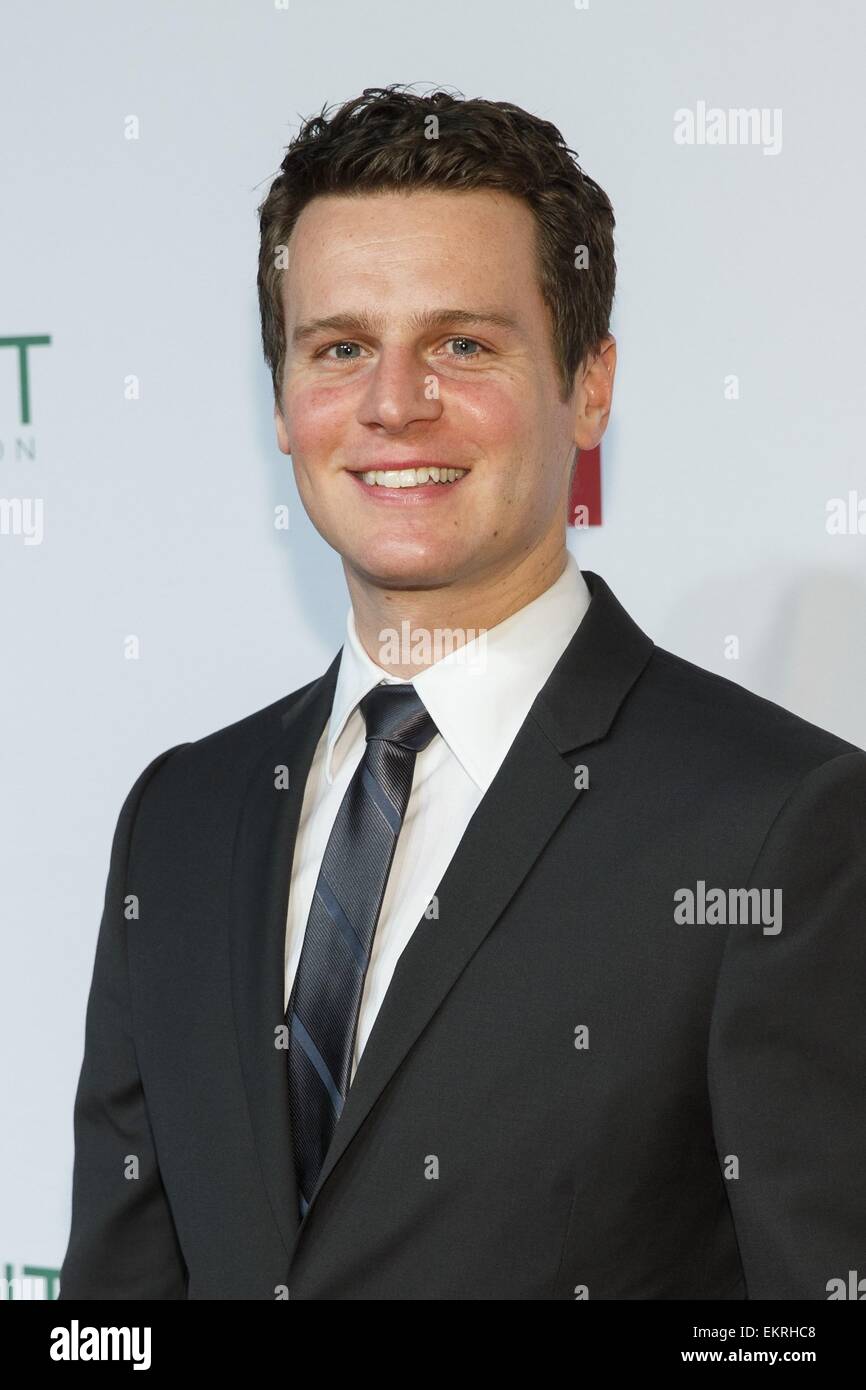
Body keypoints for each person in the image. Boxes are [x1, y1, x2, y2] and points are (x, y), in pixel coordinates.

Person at [59, 85, 866, 1300]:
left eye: (462, 344)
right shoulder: (179, 819)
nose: (394, 403)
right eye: (339, 348)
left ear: (589, 385)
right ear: (281, 399)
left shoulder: (775, 823)